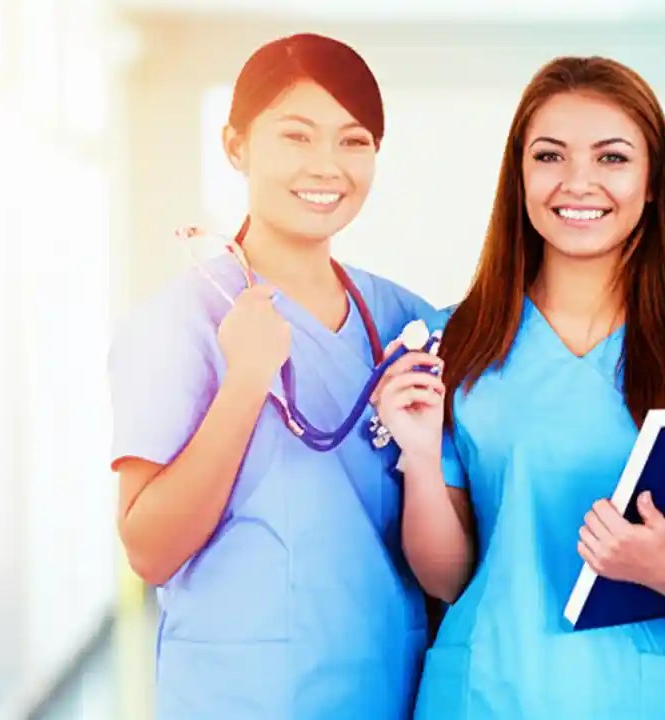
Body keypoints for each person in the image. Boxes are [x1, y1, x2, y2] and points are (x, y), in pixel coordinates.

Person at [372, 55, 665, 718]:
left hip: (648, 697)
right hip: (485, 688)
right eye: (549, 156)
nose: (577, 182)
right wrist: (420, 457)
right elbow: (446, 577)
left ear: (653, 181)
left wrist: (663, 569)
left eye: (612, 158)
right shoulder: (455, 342)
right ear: (519, 177)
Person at [108, 33, 440, 719]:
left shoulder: (404, 321)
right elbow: (149, 551)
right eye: (296, 136)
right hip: (244, 697)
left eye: (354, 142)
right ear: (236, 147)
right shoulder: (184, 320)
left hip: (386, 683)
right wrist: (246, 380)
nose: (327, 166)